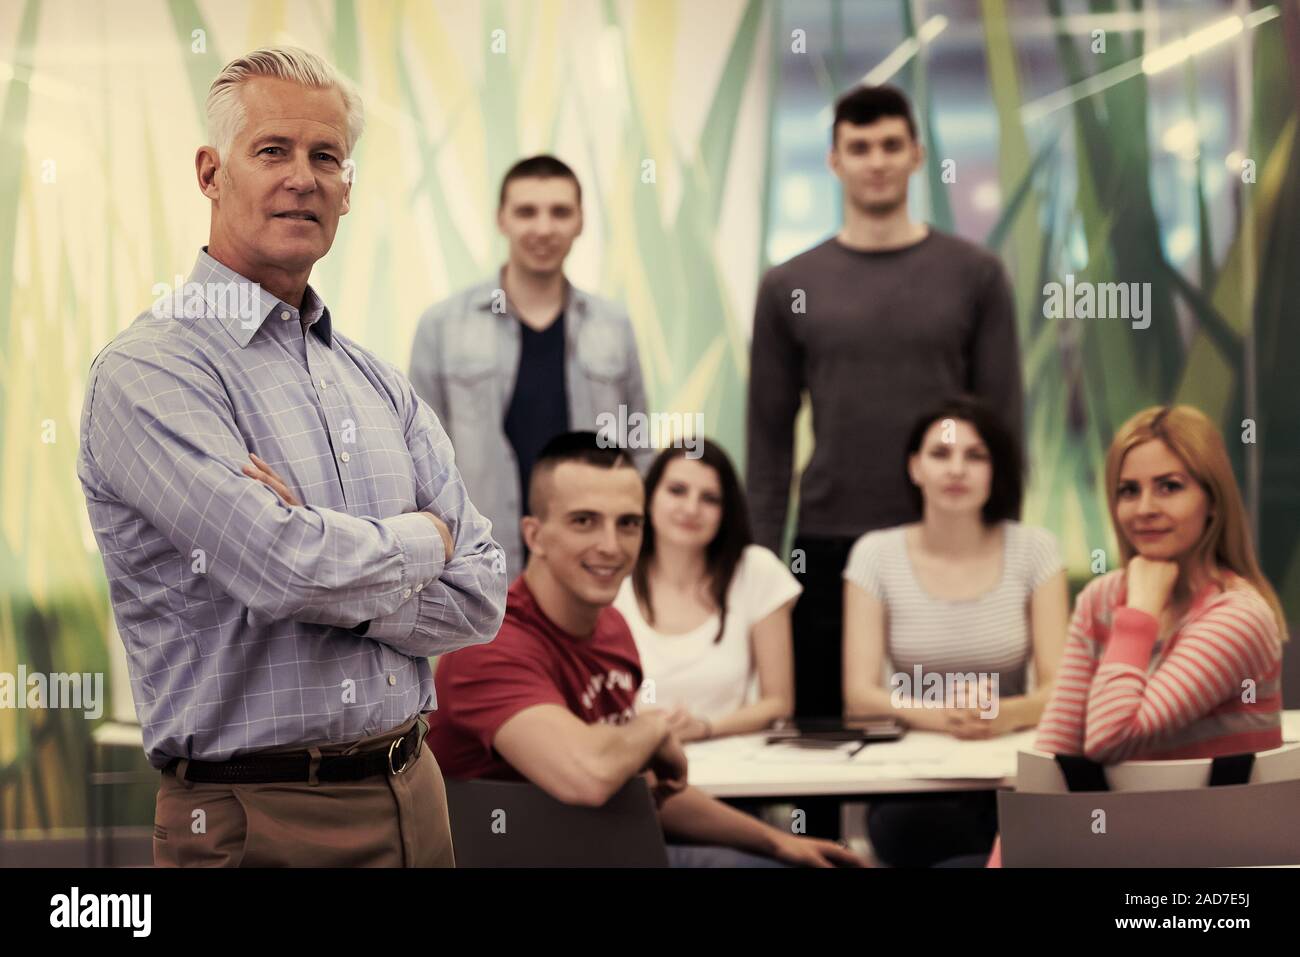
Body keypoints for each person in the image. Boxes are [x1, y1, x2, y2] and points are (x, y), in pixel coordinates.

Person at [76, 47, 506, 867]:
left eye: (327, 157)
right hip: (255, 816)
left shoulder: (376, 379)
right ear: (210, 172)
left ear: (348, 187)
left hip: (417, 790)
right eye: (272, 150)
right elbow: (284, 568)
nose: (303, 177)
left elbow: (482, 590)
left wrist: (320, 549)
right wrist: (421, 540)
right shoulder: (150, 373)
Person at [425, 433, 865, 867]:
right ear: (535, 536)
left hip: (611, 846)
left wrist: (778, 842)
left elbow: (642, 790)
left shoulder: (612, 626)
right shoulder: (488, 646)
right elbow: (591, 775)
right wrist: (654, 730)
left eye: (628, 524)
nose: (611, 547)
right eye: (584, 521)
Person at [746, 84, 1023, 724]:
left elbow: (1001, 425)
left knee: (959, 729)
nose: (877, 160)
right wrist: (758, 568)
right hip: (825, 541)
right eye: (860, 146)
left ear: (918, 155)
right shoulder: (789, 286)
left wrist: (1000, 538)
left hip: (948, 539)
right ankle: (807, 834)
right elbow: (769, 440)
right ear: (834, 161)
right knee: (817, 729)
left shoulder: (975, 275)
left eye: (891, 145)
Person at [989, 405, 1287, 866]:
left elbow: (1112, 735)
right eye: (1128, 490)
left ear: (1212, 501)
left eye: (1169, 487)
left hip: (1226, 863)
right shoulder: (1099, 599)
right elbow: (1052, 758)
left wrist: (1139, 612)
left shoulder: (1239, 617)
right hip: (1121, 849)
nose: (1144, 509)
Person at [841, 396, 1068, 867]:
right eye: (940, 454)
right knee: (918, 833)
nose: (956, 469)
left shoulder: (1036, 549)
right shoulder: (874, 554)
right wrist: (949, 717)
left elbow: (1059, 688)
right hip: (913, 783)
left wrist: (1002, 716)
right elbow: (860, 696)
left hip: (1009, 772)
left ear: (995, 470)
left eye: (975, 455)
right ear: (914, 467)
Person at [409, 155, 653, 580]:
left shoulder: (613, 325)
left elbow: (639, 447)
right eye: (526, 211)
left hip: (590, 563)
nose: (543, 228)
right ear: (501, 219)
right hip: (478, 564)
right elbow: (419, 458)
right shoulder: (443, 325)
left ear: (580, 221)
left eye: (560, 212)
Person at [614, 441, 797, 741]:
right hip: (632, 766)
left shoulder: (756, 570)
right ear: (648, 496)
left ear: (726, 511)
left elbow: (779, 704)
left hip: (738, 767)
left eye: (710, 498)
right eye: (677, 490)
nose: (691, 509)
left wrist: (704, 728)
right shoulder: (611, 575)